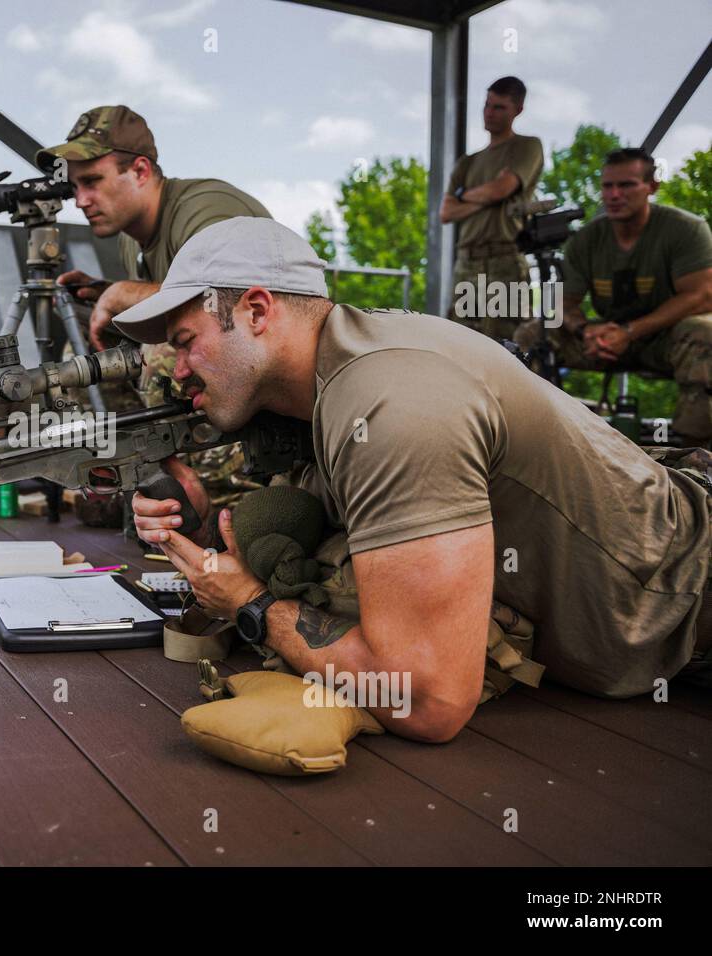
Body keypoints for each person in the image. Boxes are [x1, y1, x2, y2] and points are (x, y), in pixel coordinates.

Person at [115, 216, 712, 742]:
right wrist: (206, 504)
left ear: (257, 311)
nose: (181, 372)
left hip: (692, 593)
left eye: (187, 343)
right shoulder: (336, 374)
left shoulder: (387, 403)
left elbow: (426, 698)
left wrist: (251, 603)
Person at [37, 104, 271, 507]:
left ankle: (223, 497)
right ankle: (132, 481)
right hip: (216, 378)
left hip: (266, 401)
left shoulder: (207, 207)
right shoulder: (133, 239)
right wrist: (107, 290)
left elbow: (231, 304)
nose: (81, 200)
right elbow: (170, 293)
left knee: (164, 350)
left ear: (141, 171)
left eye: (92, 181)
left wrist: (125, 294)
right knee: (82, 355)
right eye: (76, 187)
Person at [518, 147, 712, 443]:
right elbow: (562, 302)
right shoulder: (587, 239)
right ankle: (536, 441)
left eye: (626, 185)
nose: (614, 195)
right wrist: (586, 330)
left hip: (665, 339)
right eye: (608, 186)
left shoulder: (685, 230)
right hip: (604, 340)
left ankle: (693, 456)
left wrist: (629, 332)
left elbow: (700, 297)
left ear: (652, 186)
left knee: (704, 333)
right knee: (534, 334)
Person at [441, 76, 544, 340]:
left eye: (499, 107)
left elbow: (503, 189)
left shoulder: (526, 146)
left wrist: (466, 197)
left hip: (505, 258)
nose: (489, 112)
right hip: (467, 261)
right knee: (459, 342)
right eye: (487, 105)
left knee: (506, 343)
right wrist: (488, 195)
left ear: (517, 110)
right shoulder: (468, 162)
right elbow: (446, 212)